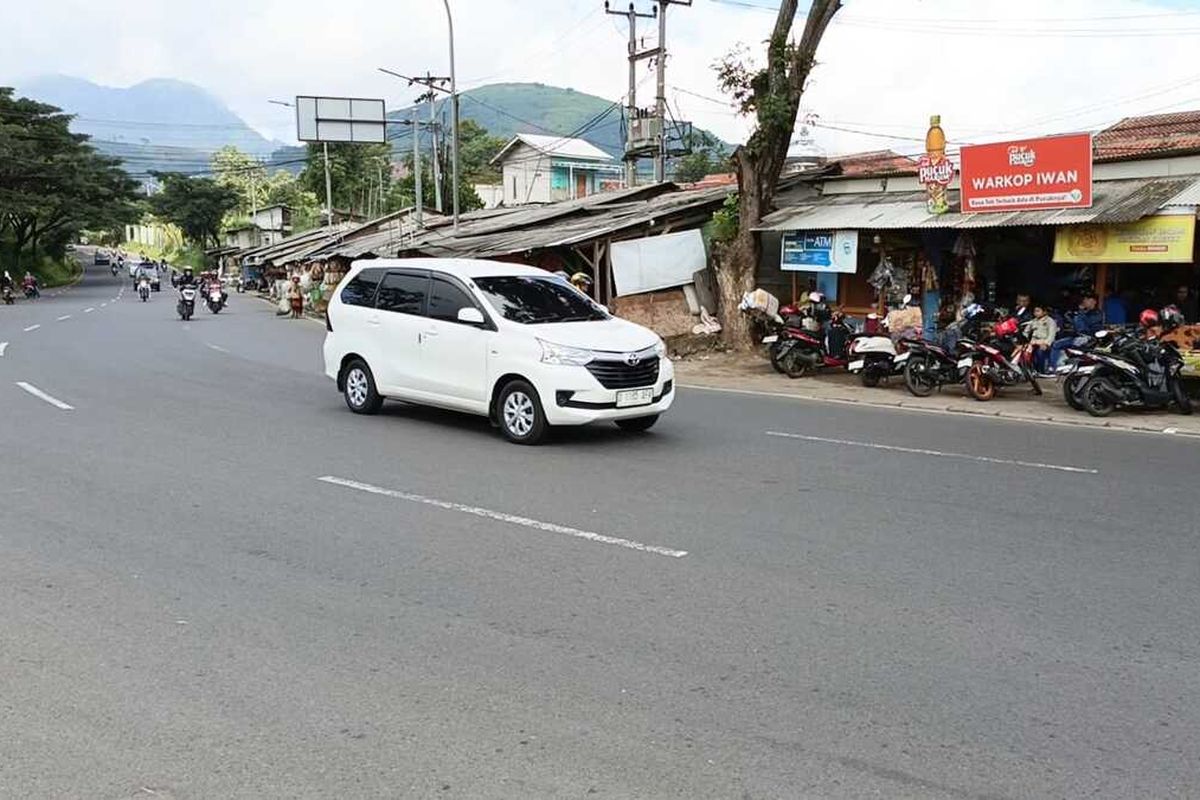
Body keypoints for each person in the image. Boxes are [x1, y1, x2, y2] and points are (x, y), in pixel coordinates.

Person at [1050, 292, 1103, 368]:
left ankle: (1056, 368)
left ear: (1094, 301)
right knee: (1056, 344)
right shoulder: (1085, 313)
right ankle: (1057, 368)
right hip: (1078, 336)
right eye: (1084, 299)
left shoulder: (1097, 313)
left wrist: (1080, 313)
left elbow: (1086, 327)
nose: (1084, 301)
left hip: (1089, 338)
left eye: (1087, 299)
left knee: (1058, 344)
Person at [1028, 305, 1059, 376]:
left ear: (1044, 312)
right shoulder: (1033, 321)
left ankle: (1042, 371)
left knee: (1040, 352)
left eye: (1038, 311)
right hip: (1033, 342)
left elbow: (1051, 335)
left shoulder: (1050, 321)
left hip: (1044, 343)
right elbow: (1026, 331)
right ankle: (1032, 370)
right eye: (1035, 311)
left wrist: (1046, 344)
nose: (1036, 313)